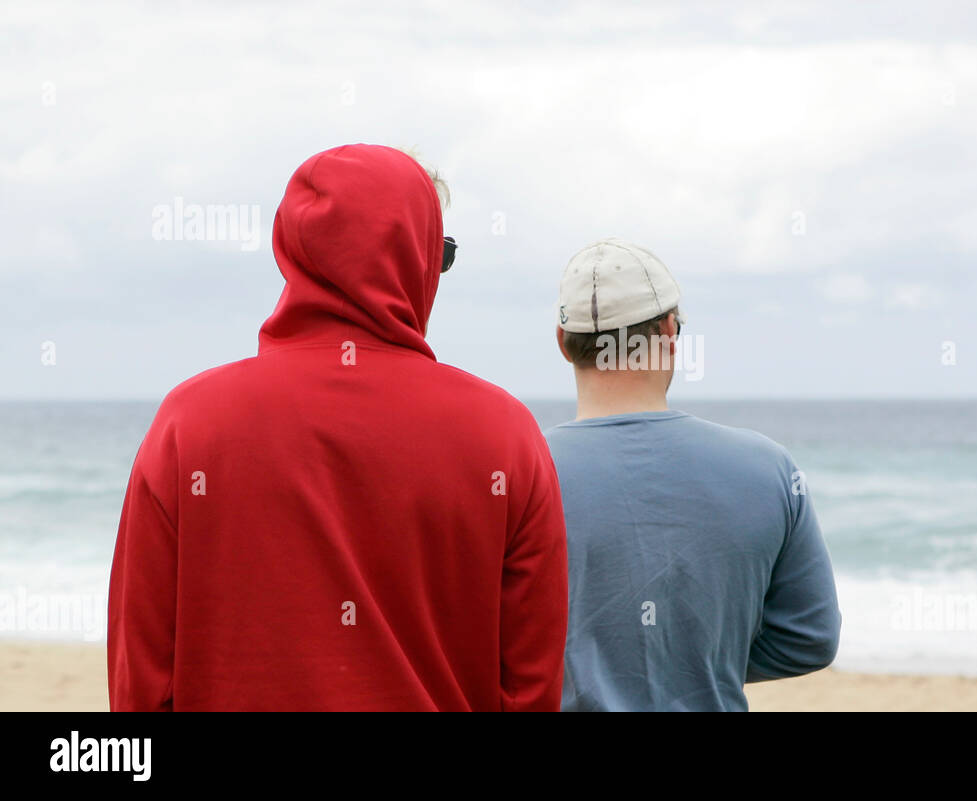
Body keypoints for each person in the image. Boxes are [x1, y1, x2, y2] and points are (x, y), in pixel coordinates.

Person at [107, 144, 567, 711]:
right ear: (415, 261)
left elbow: (141, 681)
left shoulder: (188, 422)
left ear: (291, 251)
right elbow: (532, 689)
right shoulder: (506, 435)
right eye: (437, 253)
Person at [545, 237, 841, 711]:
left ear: (563, 342)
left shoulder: (516, 471)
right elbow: (810, 638)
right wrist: (699, 661)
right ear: (667, 331)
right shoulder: (767, 467)